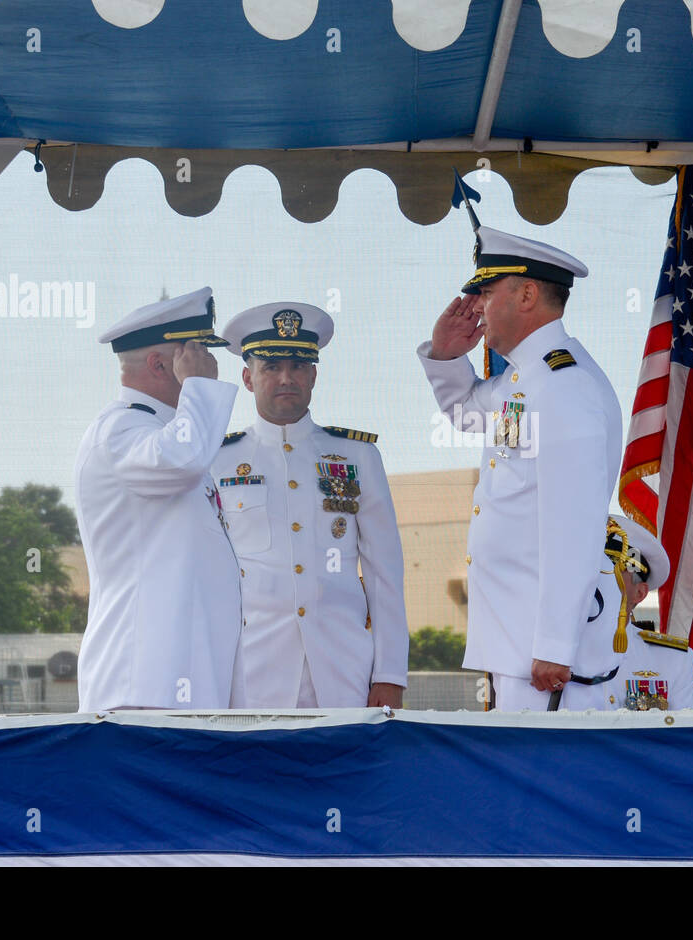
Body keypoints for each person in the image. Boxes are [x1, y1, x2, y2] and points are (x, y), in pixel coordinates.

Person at [418, 225, 623, 711]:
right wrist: (446, 353)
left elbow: (573, 525)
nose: (477, 308)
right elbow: (465, 412)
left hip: (549, 663)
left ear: (528, 294)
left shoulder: (563, 385)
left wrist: (553, 644)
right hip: (519, 647)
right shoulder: (525, 380)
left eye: (486, 293)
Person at [211, 302, 408, 708]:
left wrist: (389, 674)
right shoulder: (217, 460)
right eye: (271, 366)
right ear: (248, 378)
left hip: (344, 671)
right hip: (251, 673)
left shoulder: (357, 456)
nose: (286, 377)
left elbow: (383, 571)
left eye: (299, 366)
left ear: (314, 374)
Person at [75, 287, 242, 712]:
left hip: (183, 682)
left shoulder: (166, 434)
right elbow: (181, 459)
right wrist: (200, 387)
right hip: (142, 685)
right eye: (199, 355)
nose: (212, 364)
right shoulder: (119, 431)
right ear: (160, 363)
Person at [561, 515, 693, 711]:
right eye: (593, 571)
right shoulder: (551, 649)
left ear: (640, 593)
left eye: (612, 573)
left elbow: (681, 737)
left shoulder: (672, 659)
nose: (598, 583)